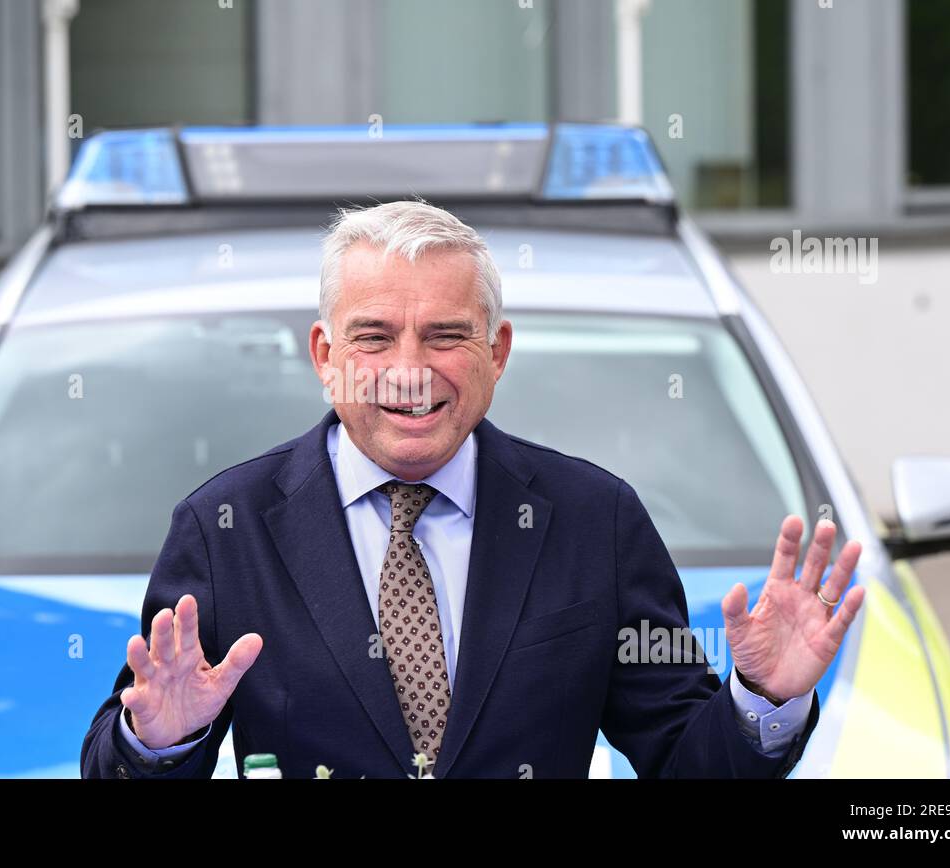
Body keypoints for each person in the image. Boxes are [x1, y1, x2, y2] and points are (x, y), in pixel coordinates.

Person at [81, 200, 865, 779]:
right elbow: (118, 764)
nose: (411, 368)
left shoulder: (596, 521)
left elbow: (685, 764)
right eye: (374, 336)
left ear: (498, 352)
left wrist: (762, 699)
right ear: (325, 355)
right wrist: (160, 743)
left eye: (447, 335)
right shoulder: (227, 530)